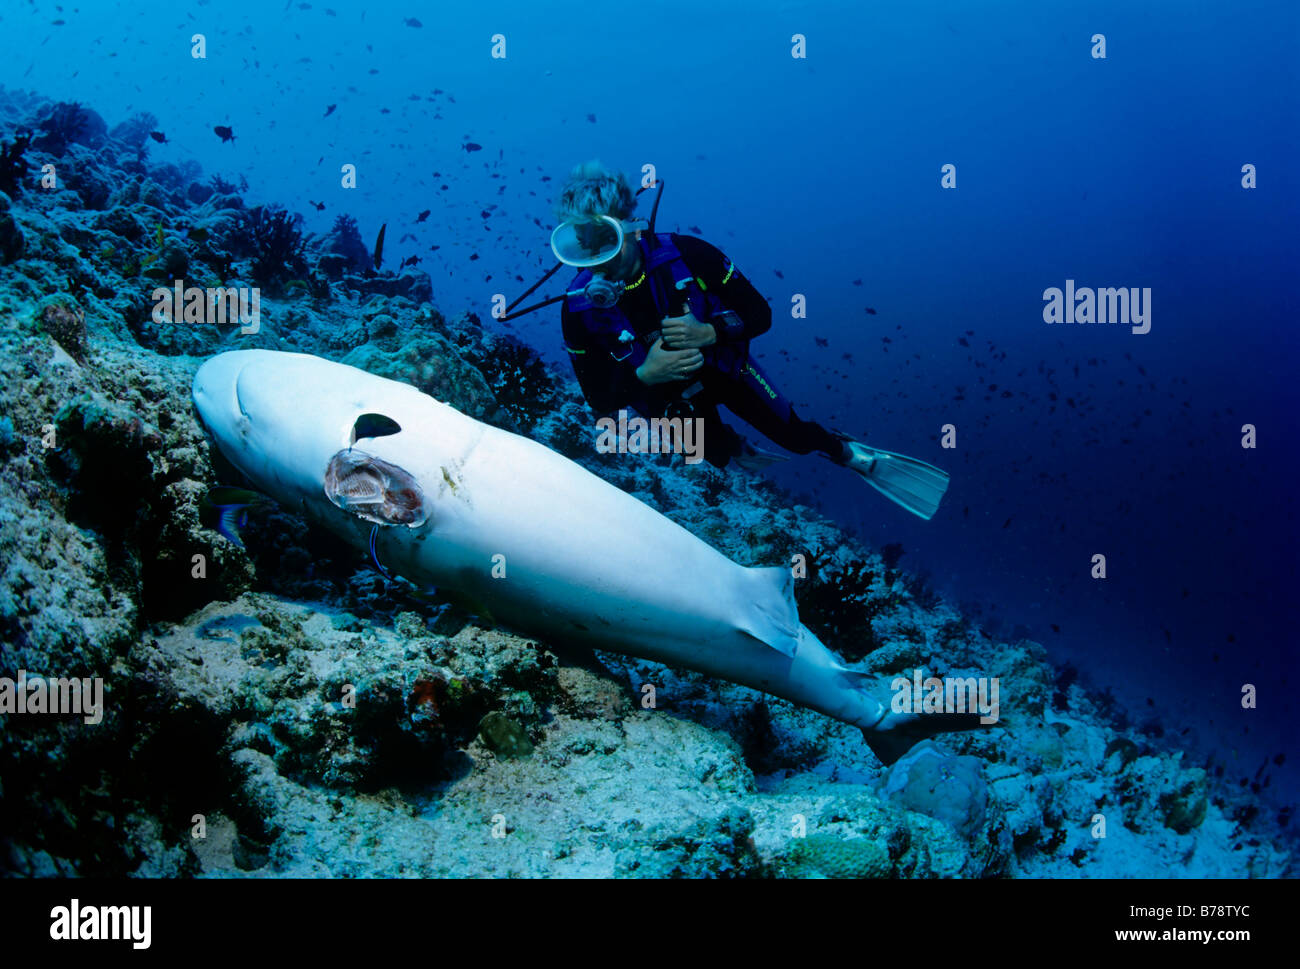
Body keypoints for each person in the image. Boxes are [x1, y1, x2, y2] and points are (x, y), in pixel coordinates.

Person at [552, 160, 950, 520]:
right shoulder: (577, 309)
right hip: (665, 399)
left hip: (727, 370)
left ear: (631, 227)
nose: (598, 261)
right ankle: (733, 446)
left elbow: (762, 315)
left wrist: (710, 332)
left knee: (795, 438)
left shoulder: (690, 254)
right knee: (712, 455)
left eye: (605, 240)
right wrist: (644, 374)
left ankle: (846, 452)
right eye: (584, 246)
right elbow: (599, 401)